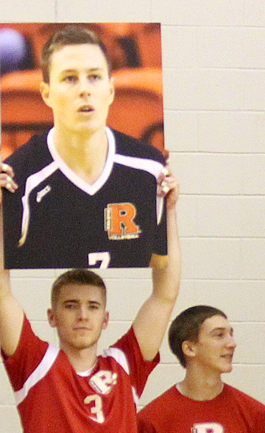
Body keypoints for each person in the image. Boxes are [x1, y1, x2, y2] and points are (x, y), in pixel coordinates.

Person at [0, 164, 179, 433]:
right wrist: (2, 212)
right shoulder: (34, 362)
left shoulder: (126, 365)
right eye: (71, 306)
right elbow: (2, 296)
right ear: (52, 317)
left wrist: (169, 212)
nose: (83, 314)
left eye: (92, 306)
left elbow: (164, 295)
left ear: (106, 318)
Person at [1, 24, 168, 269]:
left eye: (94, 77)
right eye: (70, 78)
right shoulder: (18, 177)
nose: (84, 90)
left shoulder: (151, 169)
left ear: (110, 90)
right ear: (46, 94)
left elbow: (160, 268)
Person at [137, 305, 265, 433]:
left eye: (231, 334)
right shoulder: (150, 421)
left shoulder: (256, 414)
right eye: (219, 335)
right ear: (190, 349)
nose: (232, 343)